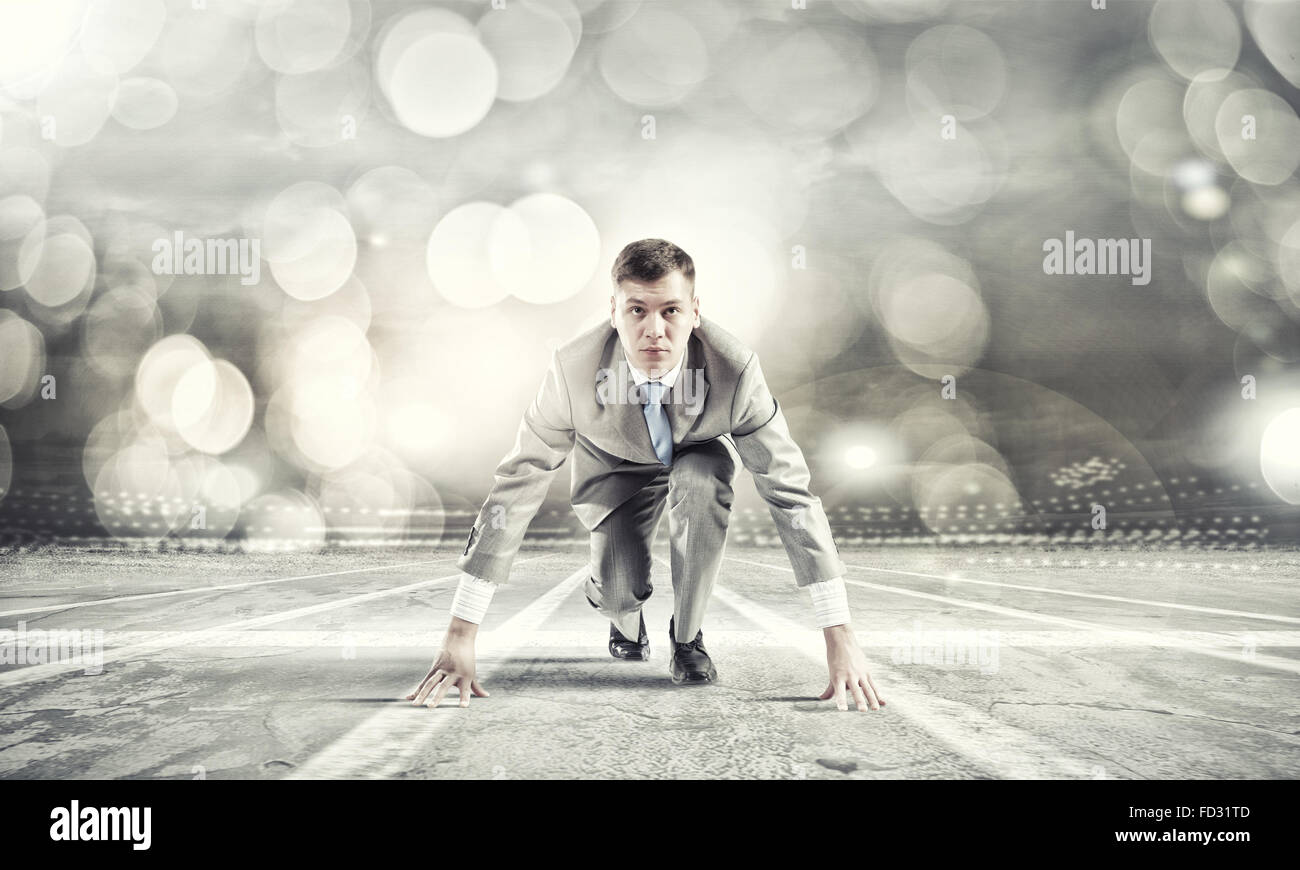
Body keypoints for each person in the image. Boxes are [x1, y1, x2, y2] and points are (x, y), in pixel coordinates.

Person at [407, 238, 885, 712]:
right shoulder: (572, 371)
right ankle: (624, 622)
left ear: (695, 312)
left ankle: (687, 639)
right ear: (613, 311)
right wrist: (460, 632)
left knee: (702, 481)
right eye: (637, 310)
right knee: (619, 591)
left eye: (671, 311)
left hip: (696, 454)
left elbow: (790, 494)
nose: (654, 330)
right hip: (613, 466)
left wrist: (839, 634)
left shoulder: (735, 371)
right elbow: (519, 480)